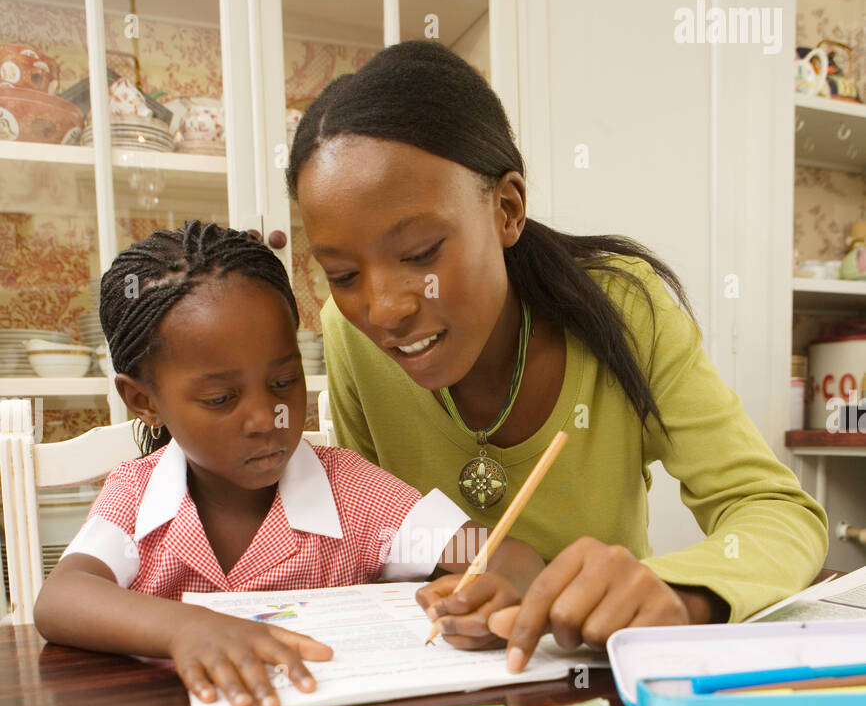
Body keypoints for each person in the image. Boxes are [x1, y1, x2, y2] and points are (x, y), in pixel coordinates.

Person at [288, 40, 828, 671]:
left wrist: (681, 596)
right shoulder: (350, 337)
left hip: (606, 680)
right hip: (450, 683)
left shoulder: (628, 309)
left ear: (507, 209)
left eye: (420, 253)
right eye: (344, 274)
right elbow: (375, 529)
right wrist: (464, 583)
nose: (384, 309)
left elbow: (774, 510)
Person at [33, 222, 543, 706]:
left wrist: (503, 586)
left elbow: (504, 556)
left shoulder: (355, 495)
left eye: (283, 382)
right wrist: (185, 627)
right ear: (143, 400)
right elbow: (61, 599)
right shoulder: (137, 496)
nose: (265, 418)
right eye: (221, 397)